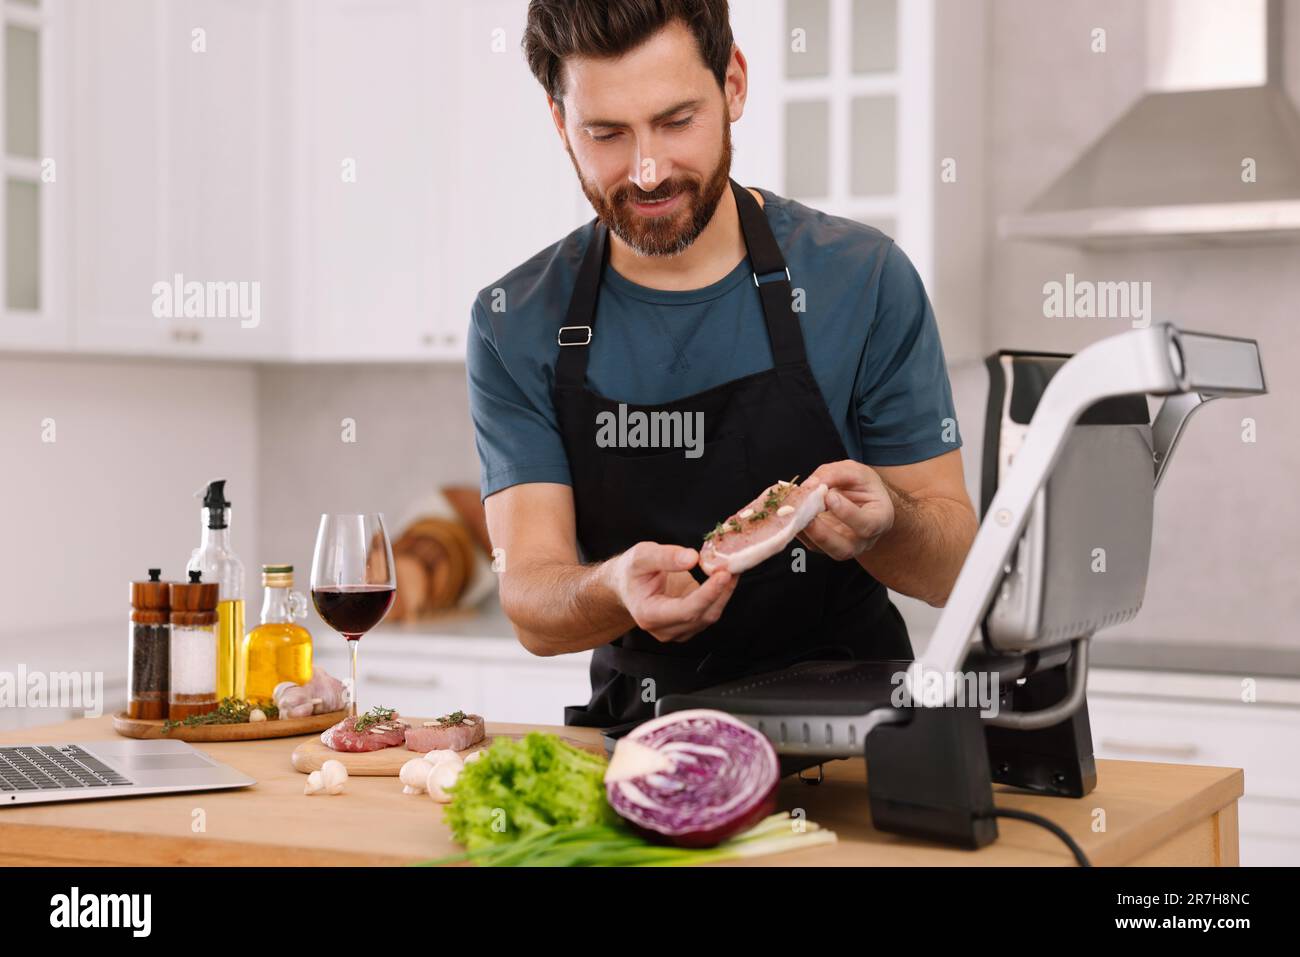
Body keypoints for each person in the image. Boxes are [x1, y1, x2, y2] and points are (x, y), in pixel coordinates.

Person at [466, 0, 978, 733]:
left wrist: (888, 524)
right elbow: (532, 604)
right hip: (640, 745)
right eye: (606, 133)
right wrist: (615, 586)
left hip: (862, 743)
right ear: (559, 124)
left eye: (677, 121)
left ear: (733, 83)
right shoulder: (515, 322)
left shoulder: (861, 279)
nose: (646, 171)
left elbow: (956, 563)